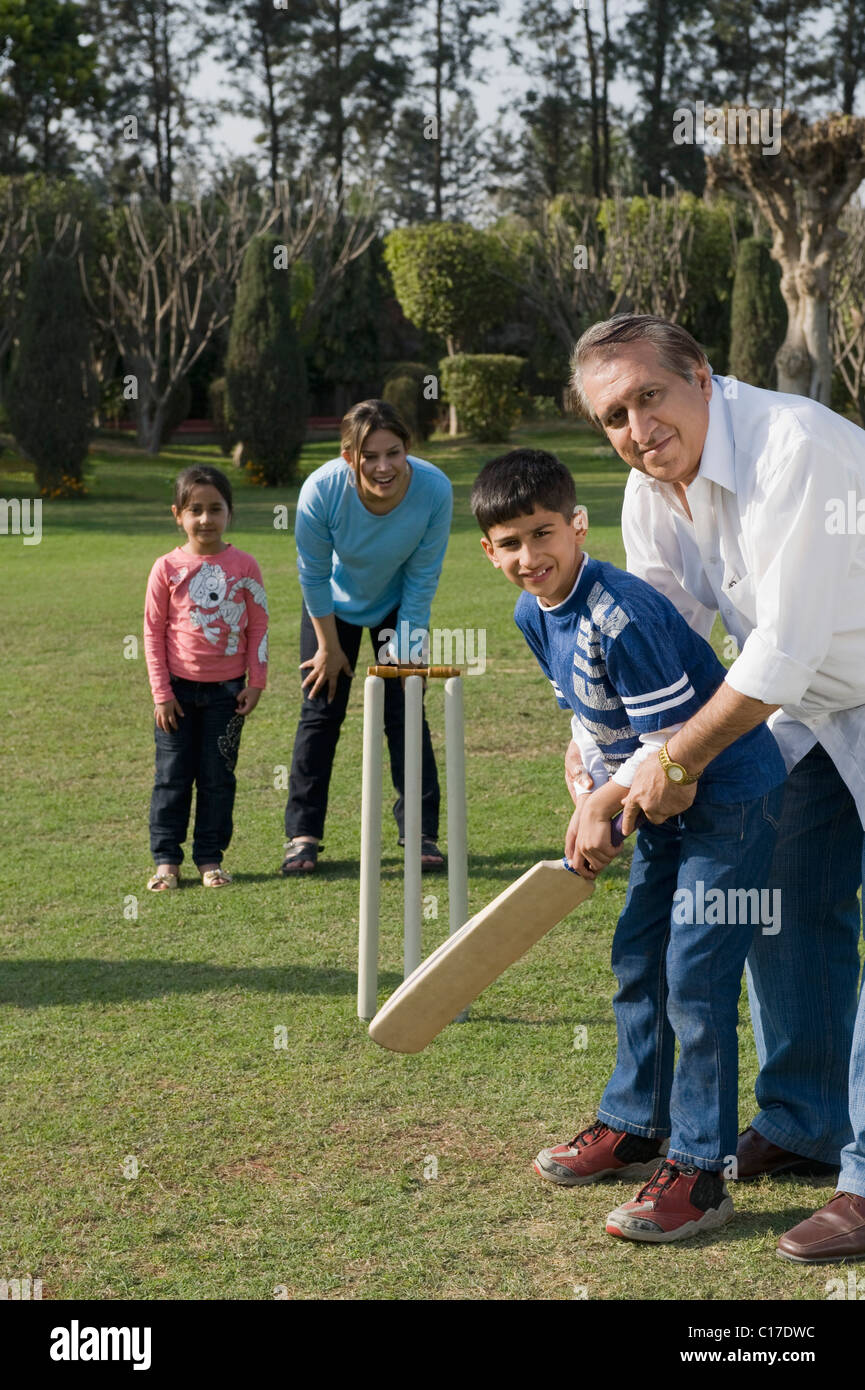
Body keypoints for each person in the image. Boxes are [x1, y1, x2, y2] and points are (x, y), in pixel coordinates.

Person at [569, 312, 865, 1262]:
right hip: (810, 707)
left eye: (648, 396)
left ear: (699, 376)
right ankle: (805, 1119)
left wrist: (677, 761)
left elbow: (777, 650)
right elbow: (659, 646)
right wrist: (602, 769)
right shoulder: (650, 490)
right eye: (613, 416)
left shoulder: (796, 446)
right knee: (778, 895)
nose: (636, 428)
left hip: (810, 678)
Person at [471, 447, 787, 1243]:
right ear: (487, 550)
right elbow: (592, 721)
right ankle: (633, 1126)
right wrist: (587, 788)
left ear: (577, 525)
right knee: (637, 956)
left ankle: (699, 1172)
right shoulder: (529, 614)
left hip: (725, 793)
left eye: (543, 533)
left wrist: (608, 803)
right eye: (508, 543)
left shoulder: (623, 614)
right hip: (660, 796)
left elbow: (672, 747)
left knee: (695, 970)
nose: (528, 557)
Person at [281, 399, 452, 875]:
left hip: (397, 604)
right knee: (321, 711)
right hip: (329, 606)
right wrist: (328, 648)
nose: (383, 467)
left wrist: (407, 649)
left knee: (404, 710)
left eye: (393, 453)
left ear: (407, 451)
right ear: (348, 457)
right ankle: (302, 836)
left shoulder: (435, 490)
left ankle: (420, 832)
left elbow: (422, 580)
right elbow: (312, 574)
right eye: (369, 456)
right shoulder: (321, 491)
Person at [143, 465, 268, 890]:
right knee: (173, 775)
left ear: (229, 513)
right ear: (177, 514)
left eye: (215, 509)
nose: (205, 519)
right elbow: (152, 632)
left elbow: (258, 627)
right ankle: (166, 861)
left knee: (218, 777)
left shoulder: (245, 566)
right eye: (195, 509)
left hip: (227, 693)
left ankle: (210, 859)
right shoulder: (166, 569)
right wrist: (162, 693)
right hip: (176, 692)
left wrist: (257, 680)